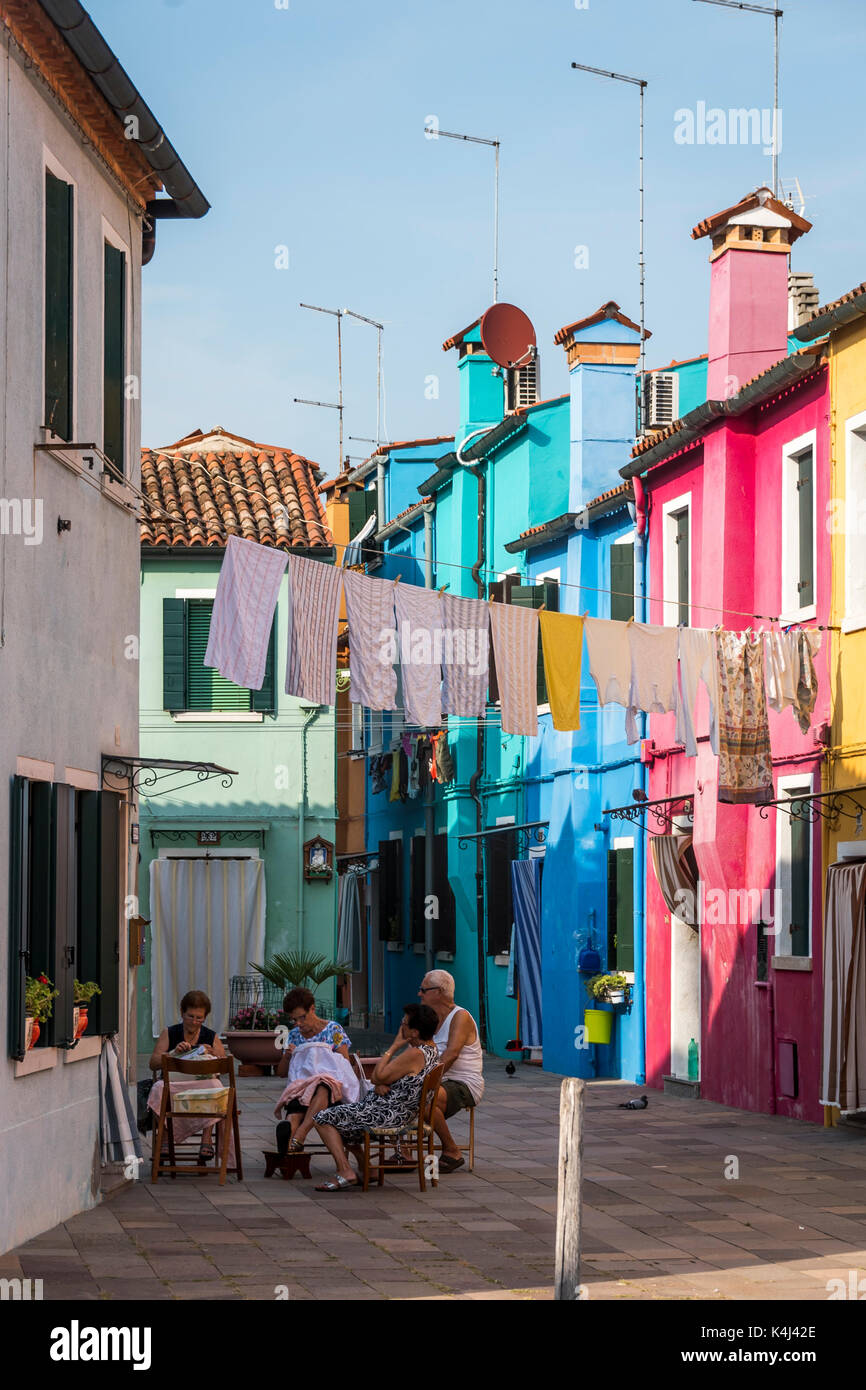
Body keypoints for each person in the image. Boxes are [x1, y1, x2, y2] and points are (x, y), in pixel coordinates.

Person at [312, 1003, 439, 1192]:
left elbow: (377, 1075)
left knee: (322, 1118)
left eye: (404, 1024)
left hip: (387, 1115)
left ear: (414, 1032)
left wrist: (395, 1045)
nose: (400, 1027)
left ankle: (345, 1170)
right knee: (342, 1119)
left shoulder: (414, 1053)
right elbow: (391, 1078)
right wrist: (382, 1083)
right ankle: (367, 1170)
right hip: (397, 1111)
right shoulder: (432, 1051)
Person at [148, 989, 227, 1163]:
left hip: (200, 1086)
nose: (194, 1021)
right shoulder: (170, 1033)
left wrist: (212, 1052)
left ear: (205, 1017)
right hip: (174, 1085)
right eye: (190, 1016)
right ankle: (166, 1135)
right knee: (158, 1088)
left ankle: (206, 1138)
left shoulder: (211, 1036)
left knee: (216, 1086)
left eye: (199, 1018)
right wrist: (172, 1053)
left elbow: (223, 1065)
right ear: (182, 1013)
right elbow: (153, 1063)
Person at [418, 969, 484, 1173]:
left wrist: (425, 1079)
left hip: (463, 1082)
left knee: (424, 1098)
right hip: (439, 1079)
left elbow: (452, 1054)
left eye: (423, 989)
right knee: (404, 1094)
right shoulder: (429, 1020)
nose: (419, 994)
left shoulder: (460, 1017)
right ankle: (403, 1151)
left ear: (438, 992)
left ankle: (452, 1150)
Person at [273, 988, 354, 1153]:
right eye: (294, 1020)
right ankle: (289, 1150)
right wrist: (288, 1056)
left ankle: (299, 1136)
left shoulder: (333, 1030)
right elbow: (281, 1072)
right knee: (295, 1109)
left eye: (302, 1017)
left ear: (312, 1009)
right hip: (303, 1090)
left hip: (332, 1091)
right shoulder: (294, 1035)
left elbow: (344, 1062)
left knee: (323, 1087)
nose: (299, 1024)